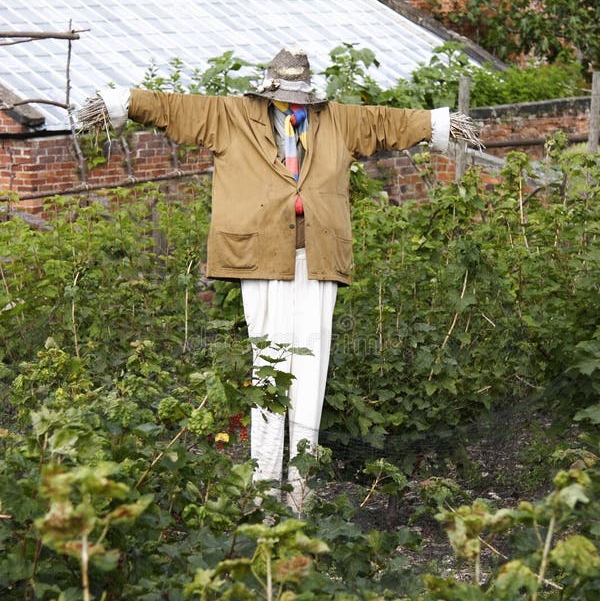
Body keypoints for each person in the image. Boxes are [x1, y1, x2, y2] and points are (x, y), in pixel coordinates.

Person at [79, 46, 480, 515]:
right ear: (267, 91)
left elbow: (387, 123)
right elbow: (172, 109)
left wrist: (439, 124)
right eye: (284, 96)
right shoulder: (229, 115)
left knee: (312, 365)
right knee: (269, 364)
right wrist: (121, 102)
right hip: (260, 256)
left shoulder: (337, 120)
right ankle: (263, 493)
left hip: (318, 256)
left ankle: (300, 495)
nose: (292, 104)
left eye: (299, 97)